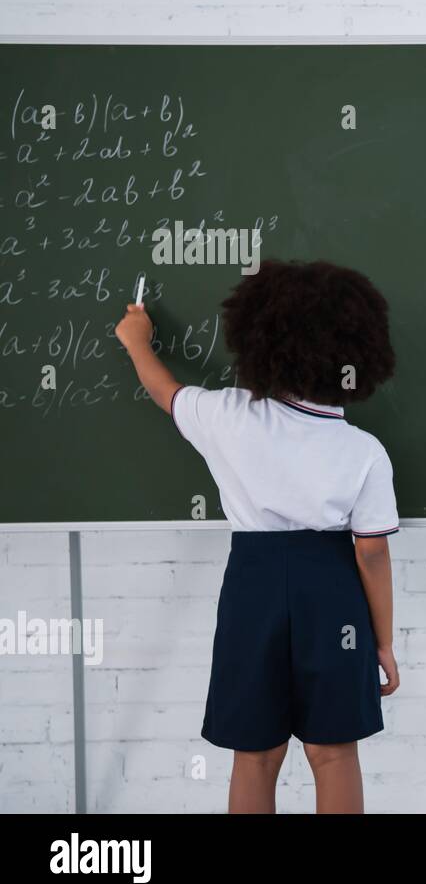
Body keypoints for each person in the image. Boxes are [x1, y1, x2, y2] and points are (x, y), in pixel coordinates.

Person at [114, 259, 401, 813]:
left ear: (259, 339)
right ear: (357, 352)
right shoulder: (364, 451)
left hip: (253, 586)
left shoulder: (227, 416)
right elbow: (372, 552)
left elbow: (166, 390)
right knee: (334, 753)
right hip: (332, 590)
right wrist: (381, 642)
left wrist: (135, 341)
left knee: (254, 755)